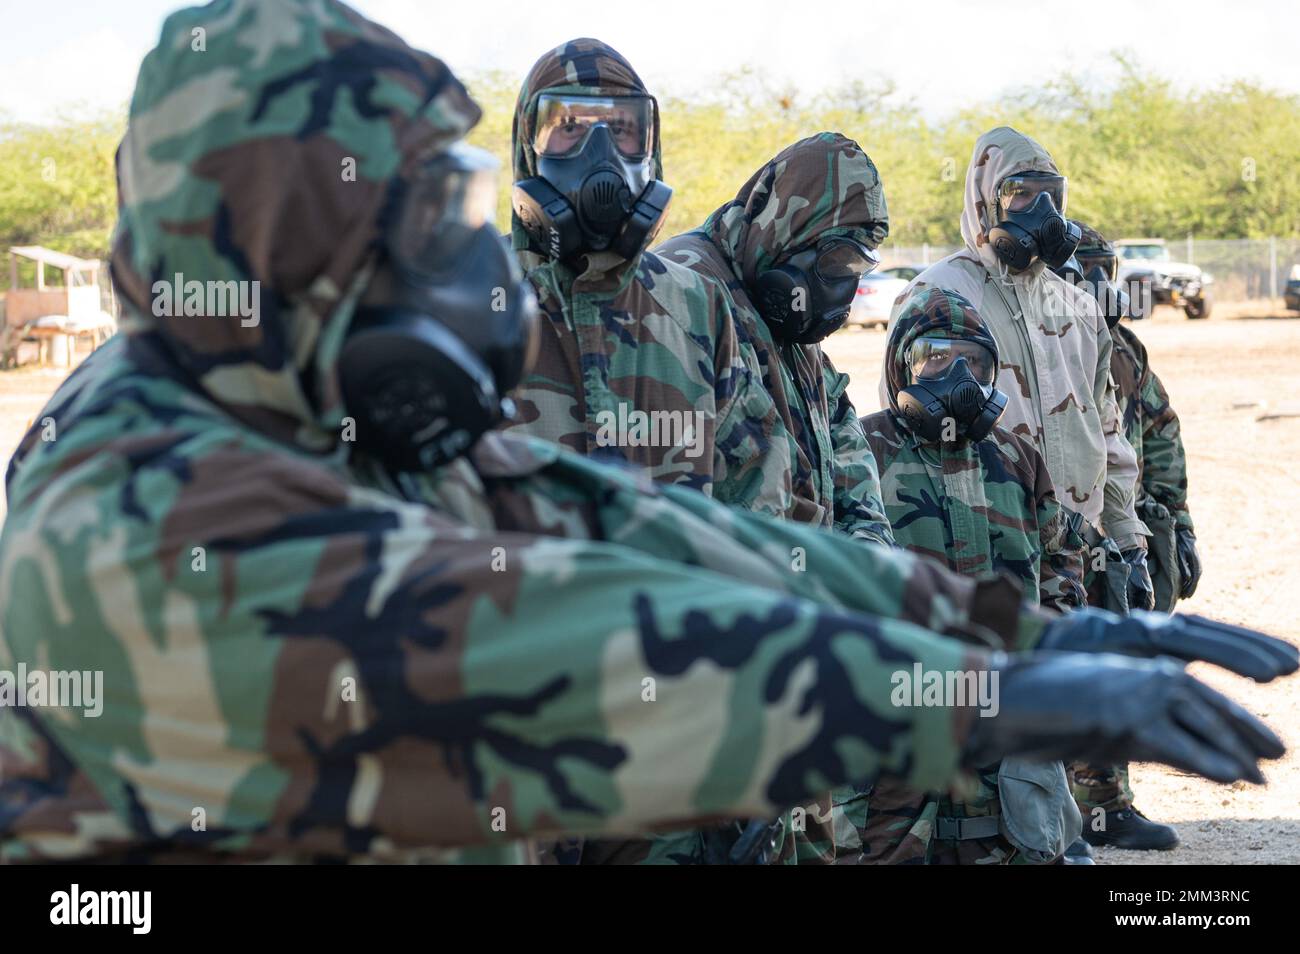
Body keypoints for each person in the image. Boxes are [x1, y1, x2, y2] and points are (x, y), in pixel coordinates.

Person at [1, 1, 1294, 865]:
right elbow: (541, 654)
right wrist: (966, 697)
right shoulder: (127, 494)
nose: (448, 249)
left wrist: (1018, 628)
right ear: (248, 231)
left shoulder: (322, 397)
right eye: (397, 205)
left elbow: (635, 526)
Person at [501, 38, 793, 517]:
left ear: (649, 149)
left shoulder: (698, 304)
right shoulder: (472, 297)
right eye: (569, 127)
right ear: (528, 147)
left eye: (621, 128)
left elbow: (759, 488)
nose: (600, 152)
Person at [854, 286, 1088, 864]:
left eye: (975, 361)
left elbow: (1060, 561)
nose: (957, 374)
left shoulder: (1015, 455)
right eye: (934, 356)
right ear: (900, 364)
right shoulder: (863, 450)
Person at [658, 132, 894, 548]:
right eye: (836, 260)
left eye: (858, 264)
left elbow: (838, 426)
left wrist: (865, 547)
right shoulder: (684, 290)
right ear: (788, 231)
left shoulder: (789, 312)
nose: (845, 283)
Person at [1053, 222, 1203, 850]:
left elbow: (1160, 431)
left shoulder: (1125, 349)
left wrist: (1176, 522)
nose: (1092, 286)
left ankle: (1106, 806)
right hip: (1057, 531)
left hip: (1123, 533)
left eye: (1100, 274)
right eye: (1080, 272)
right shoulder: (1046, 340)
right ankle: (1057, 810)